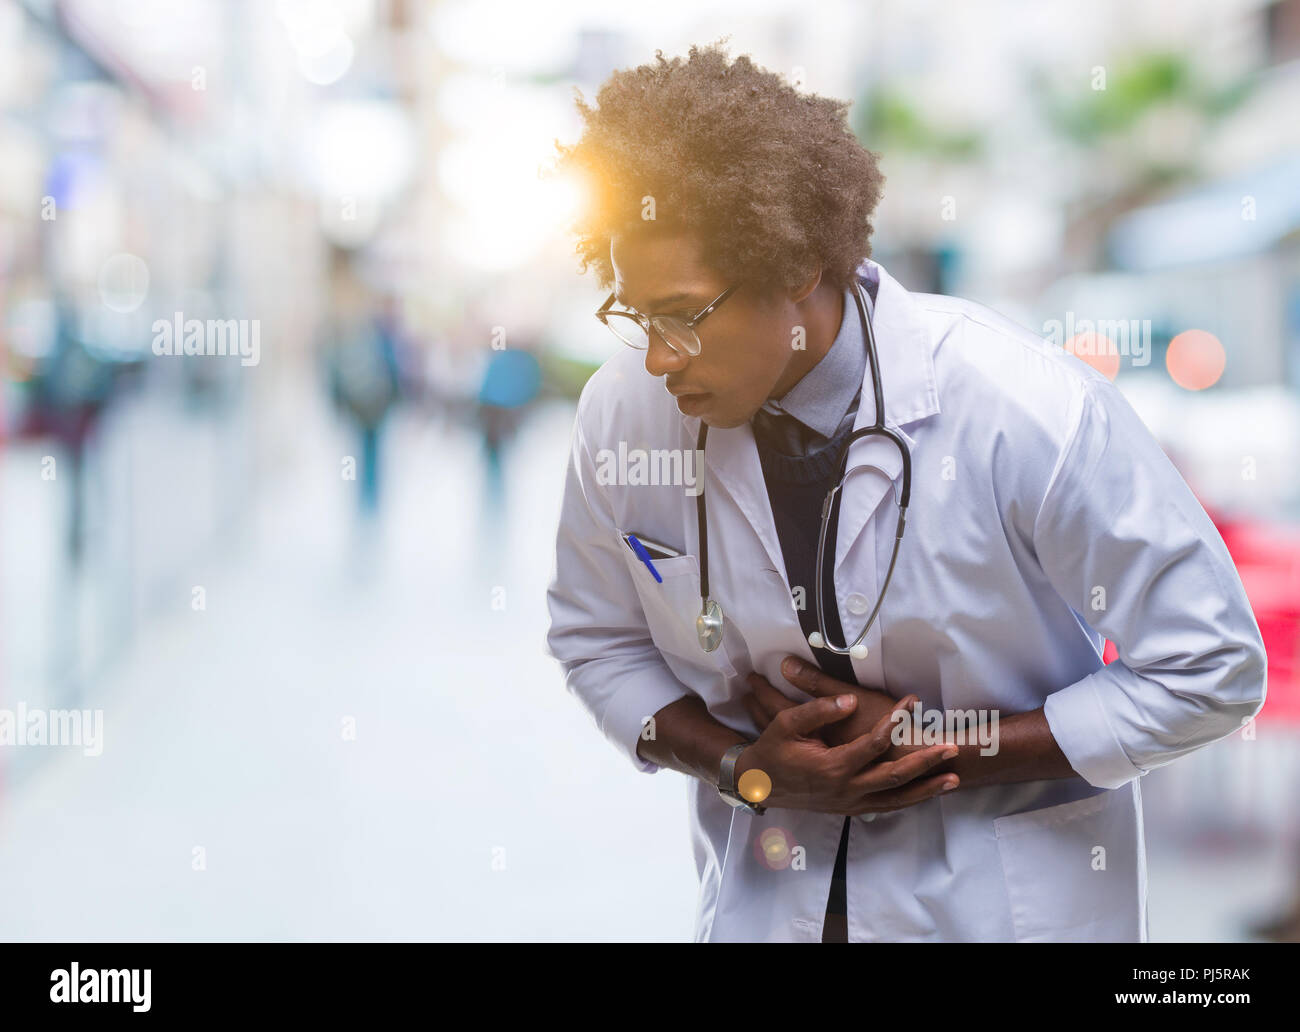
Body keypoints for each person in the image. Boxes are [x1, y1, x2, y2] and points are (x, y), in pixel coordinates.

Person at [544, 43, 1267, 943]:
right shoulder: (625, 413)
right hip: (771, 908)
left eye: (684, 314)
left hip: (1004, 909)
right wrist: (743, 768)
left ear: (797, 269)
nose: (657, 356)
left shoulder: (1023, 410)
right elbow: (596, 639)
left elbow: (1211, 667)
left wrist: (954, 748)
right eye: (635, 314)